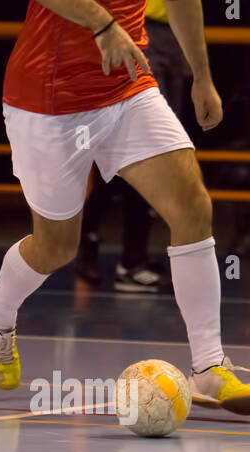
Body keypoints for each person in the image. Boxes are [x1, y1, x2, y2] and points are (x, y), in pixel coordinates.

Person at [0, 0, 250, 415]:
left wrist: (201, 75)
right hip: (48, 97)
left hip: (126, 86)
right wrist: (104, 24)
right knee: (56, 247)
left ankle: (209, 367)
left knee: (192, 207)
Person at [75, 0, 194, 293]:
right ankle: (128, 259)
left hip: (171, 33)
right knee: (146, 151)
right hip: (138, 30)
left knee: (149, 154)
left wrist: (191, 49)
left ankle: (101, 243)